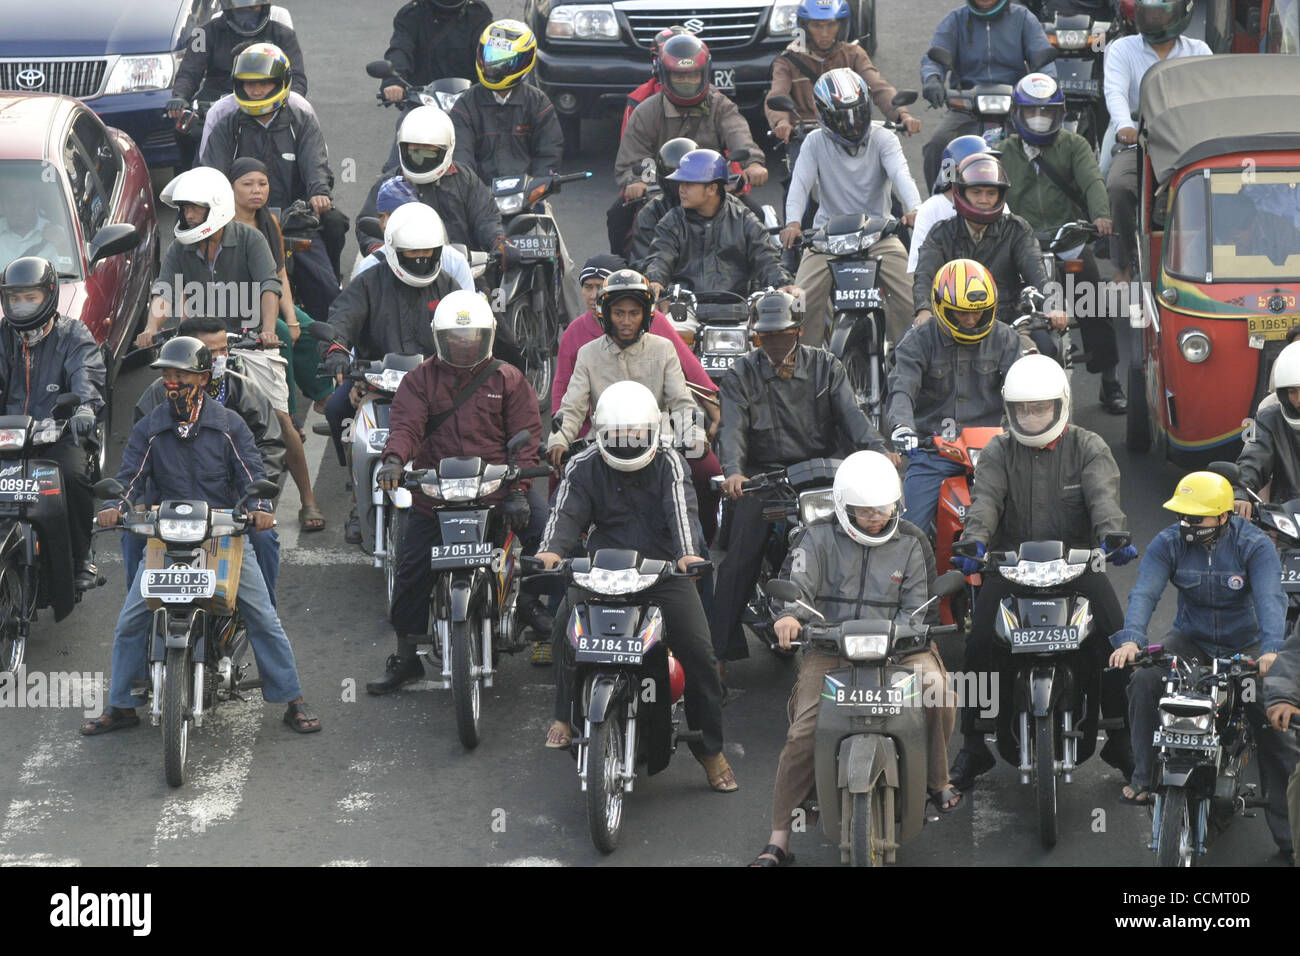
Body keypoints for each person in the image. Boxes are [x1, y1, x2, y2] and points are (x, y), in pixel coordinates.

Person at [84, 336, 320, 737]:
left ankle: (292, 698)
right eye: (167, 376)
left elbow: (252, 476)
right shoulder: (150, 428)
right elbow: (130, 478)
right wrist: (118, 506)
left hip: (222, 538)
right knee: (129, 622)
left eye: (182, 375)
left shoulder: (230, 426)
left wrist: (259, 510)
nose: (172, 383)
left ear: (204, 377)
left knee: (262, 615)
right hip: (165, 538)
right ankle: (122, 704)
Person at [750, 451, 959, 867]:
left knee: (937, 690)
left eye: (883, 509)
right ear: (844, 508)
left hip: (900, 648)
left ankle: (937, 779)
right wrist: (788, 617)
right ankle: (778, 839)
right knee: (803, 730)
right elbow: (797, 584)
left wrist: (906, 632)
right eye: (865, 512)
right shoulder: (816, 537)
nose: (876, 519)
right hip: (831, 649)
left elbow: (919, 606)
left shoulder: (912, 541)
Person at [947, 353, 1137, 790]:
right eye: (1022, 409)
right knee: (976, 647)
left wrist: (1113, 535)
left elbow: (1103, 498)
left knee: (1119, 640)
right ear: (1010, 410)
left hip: (1076, 567)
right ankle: (974, 745)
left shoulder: (1089, 446)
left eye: (1040, 408)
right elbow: (987, 501)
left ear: (1061, 405)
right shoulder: (997, 450)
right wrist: (975, 540)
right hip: (1009, 569)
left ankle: (1121, 739)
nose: (1031, 418)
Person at [536, 382, 737, 793]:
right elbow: (565, 515)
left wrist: (687, 556)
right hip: (601, 569)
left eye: (636, 435)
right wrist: (550, 553)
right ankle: (563, 713)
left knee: (700, 654)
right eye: (617, 435)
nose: (627, 442)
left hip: (664, 570)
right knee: (562, 630)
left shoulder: (671, 462)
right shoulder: (583, 464)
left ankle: (710, 751)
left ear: (652, 431)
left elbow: (682, 512)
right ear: (600, 434)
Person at [1109, 472, 1297, 859]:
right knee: (1143, 680)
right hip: (1190, 641)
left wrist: (1272, 651)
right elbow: (1145, 590)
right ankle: (1144, 777)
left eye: (1197, 519)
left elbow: (1270, 598)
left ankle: (1290, 834)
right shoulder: (1168, 543)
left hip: (1247, 646)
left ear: (1223, 517)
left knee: (1274, 724)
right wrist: (1131, 639)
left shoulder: (1253, 544)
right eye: (1183, 516)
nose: (1187, 525)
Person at [369, 290, 546, 694]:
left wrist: (518, 488)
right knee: (411, 568)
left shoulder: (509, 378)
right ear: (439, 338)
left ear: (487, 336)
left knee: (546, 535)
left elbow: (527, 439)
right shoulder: (418, 381)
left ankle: (535, 606)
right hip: (437, 493)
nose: (464, 344)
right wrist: (395, 461)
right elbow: (406, 427)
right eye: (455, 337)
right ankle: (407, 656)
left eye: (472, 337)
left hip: (499, 489)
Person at [712, 291, 892, 672]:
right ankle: (719, 659)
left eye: (783, 335)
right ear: (754, 337)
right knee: (738, 560)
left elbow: (853, 417)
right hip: (763, 477)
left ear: (798, 331)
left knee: (871, 534)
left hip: (823, 474)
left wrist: (879, 451)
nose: (775, 344)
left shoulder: (828, 366)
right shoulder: (739, 374)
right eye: (766, 337)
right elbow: (732, 430)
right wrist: (733, 472)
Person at [143, 167, 319, 543]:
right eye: (186, 209)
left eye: (195, 209)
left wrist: (269, 329)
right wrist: (150, 328)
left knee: (281, 418)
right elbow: (164, 291)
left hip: (250, 340)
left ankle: (307, 498)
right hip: (195, 346)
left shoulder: (250, 238)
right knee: (165, 402)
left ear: (217, 208)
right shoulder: (179, 248)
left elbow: (270, 285)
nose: (188, 216)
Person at [554, 254, 722, 541]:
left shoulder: (663, 348)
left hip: (659, 444)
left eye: (634, 313)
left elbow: (682, 401)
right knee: (561, 501)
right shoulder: (588, 353)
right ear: (606, 315)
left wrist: (693, 434)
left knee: (707, 476)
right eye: (619, 313)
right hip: (603, 444)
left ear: (646, 315)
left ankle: (702, 543)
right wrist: (559, 440)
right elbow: (571, 407)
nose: (626, 321)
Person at [128, 322, 285, 602]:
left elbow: (269, 446)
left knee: (265, 541)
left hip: (232, 508)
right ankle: (142, 605)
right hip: (168, 506)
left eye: (224, 350)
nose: (219, 358)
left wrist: (256, 503)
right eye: (211, 353)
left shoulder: (244, 390)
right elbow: (136, 460)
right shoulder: (155, 396)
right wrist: (136, 502)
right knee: (131, 538)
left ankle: (265, 606)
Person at [1000, 73, 1126, 414]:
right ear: (1017, 114)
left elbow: (1092, 182)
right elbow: (991, 191)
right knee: (1003, 305)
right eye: (1032, 113)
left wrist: (1101, 215)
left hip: (1067, 240)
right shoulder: (1003, 151)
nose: (1040, 121)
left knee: (1093, 304)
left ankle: (1110, 380)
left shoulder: (1074, 146)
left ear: (1060, 115)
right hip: (1018, 243)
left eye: (1048, 113)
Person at [780, 68, 921, 349]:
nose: (852, 124)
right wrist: (793, 223)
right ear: (823, 116)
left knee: (911, 300)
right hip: (825, 238)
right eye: (841, 117)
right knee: (800, 304)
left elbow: (902, 175)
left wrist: (915, 209)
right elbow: (800, 184)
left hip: (879, 234)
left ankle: (910, 361)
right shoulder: (814, 142)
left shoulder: (884, 138)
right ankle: (805, 368)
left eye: (857, 113)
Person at [887, 259, 1024, 533]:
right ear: (941, 307)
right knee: (908, 533)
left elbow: (1020, 394)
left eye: (978, 313)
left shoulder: (1007, 339)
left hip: (994, 452)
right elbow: (902, 387)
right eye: (961, 314)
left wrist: (1021, 430)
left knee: (1033, 517)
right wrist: (902, 427)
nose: (971, 320)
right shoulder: (918, 341)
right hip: (933, 453)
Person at [0, 257, 104, 589]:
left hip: (57, 433)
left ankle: (80, 558)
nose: (21, 305)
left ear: (49, 294)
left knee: (73, 477)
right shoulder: (3, 337)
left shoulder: (73, 334)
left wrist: (84, 408)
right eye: (15, 297)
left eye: (30, 297)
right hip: (7, 436)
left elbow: (86, 373)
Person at [200, 42, 347, 278]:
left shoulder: (302, 120)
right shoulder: (227, 125)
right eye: (249, 83)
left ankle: (334, 278)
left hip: (297, 217)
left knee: (328, 281)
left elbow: (315, 161)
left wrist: (318, 191)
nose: (256, 91)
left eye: (263, 83)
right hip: (238, 218)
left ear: (280, 82)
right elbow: (211, 171)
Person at [229, 157, 336, 468]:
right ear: (231, 188)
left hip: (270, 294)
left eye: (261, 184)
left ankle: (322, 395)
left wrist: (292, 317)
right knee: (280, 340)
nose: (256, 191)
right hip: (237, 303)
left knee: (308, 330)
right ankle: (286, 418)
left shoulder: (269, 222)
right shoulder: (221, 223)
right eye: (247, 184)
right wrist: (281, 324)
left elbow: (279, 275)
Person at [911, 153, 1069, 358]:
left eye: (990, 193)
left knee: (1048, 354)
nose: (984, 200)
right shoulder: (940, 234)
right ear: (961, 193)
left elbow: (1036, 271)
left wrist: (1053, 306)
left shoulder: (1017, 230)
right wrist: (923, 310)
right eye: (976, 192)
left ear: (1000, 195)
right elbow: (924, 275)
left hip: (1009, 321)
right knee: (909, 353)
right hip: (953, 323)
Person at [1102, 0, 1211, 284]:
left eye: (1159, 14)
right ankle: (1123, 262)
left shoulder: (1199, 51)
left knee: (1209, 187)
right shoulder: (1121, 49)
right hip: (1139, 138)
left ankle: (1204, 258)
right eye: (1147, 13)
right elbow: (1115, 93)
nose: (1152, 20)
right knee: (1116, 185)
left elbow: (1210, 96)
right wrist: (1125, 126)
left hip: (1187, 141)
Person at [353, 105, 514, 271]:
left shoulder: (466, 179)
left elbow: (486, 219)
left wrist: (499, 243)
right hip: (402, 270)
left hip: (462, 269)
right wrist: (379, 251)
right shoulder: (388, 184)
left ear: (446, 149)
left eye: (427, 153)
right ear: (402, 148)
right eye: (415, 152)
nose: (420, 160)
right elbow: (369, 228)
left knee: (491, 295)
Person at [615, 34, 768, 208]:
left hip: (711, 191)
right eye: (679, 77)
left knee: (757, 216)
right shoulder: (645, 111)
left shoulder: (720, 105)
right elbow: (633, 159)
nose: (686, 81)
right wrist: (639, 182)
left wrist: (753, 163)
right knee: (617, 218)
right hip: (662, 194)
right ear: (665, 75)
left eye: (692, 75)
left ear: (704, 74)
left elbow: (738, 135)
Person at [919, 0, 1057, 189]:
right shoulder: (954, 20)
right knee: (937, 145)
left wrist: (1047, 84)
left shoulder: (1023, 18)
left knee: (1050, 146)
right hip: (965, 104)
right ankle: (940, 199)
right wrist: (932, 79)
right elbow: (933, 58)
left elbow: (1043, 57)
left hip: (1017, 104)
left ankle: (1046, 201)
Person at [765, 0, 921, 149]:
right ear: (805, 27)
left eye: (831, 24)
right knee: (801, 176)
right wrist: (782, 123)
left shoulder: (854, 54)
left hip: (851, 135)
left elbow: (879, 88)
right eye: (817, 26)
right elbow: (777, 94)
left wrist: (903, 115)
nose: (825, 33)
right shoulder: (787, 61)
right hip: (807, 139)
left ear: (842, 25)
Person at [168, 3, 307, 170]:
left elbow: (297, 78)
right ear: (227, 9)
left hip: (268, 97)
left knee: (301, 136)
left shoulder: (283, 34)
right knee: (184, 131)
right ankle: (192, 181)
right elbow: (189, 72)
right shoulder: (205, 33)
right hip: (215, 100)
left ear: (264, 7)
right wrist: (180, 96)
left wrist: (284, 102)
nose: (246, 17)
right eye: (239, 10)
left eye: (251, 9)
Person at [643, 149, 794, 300]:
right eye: (681, 183)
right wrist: (656, 280)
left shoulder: (743, 218)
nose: (681, 189)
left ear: (712, 188)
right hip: (686, 311)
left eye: (688, 183)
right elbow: (661, 256)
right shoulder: (672, 220)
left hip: (739, 310)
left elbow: (766, 256)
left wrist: (782, 282)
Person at [449, 19, 563, 186]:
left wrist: (537, 186)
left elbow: (549, 154)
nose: (494, 67)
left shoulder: (538, 103)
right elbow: (461, 155)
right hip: (480, 196)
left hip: (527, 195)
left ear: (525, 61)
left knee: (545, 213)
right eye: (491, 58)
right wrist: (472, 190)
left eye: (503, 61)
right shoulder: (465, 105)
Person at [906, 134, 1005, 273]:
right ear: (953, 171)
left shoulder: (997, 205)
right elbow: (918, 269)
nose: (984, 199)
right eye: (975, 165)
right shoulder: (931, 209)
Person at [351, 184, 475, 291]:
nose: (384, 224)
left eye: (392, 215)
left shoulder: (455, 263)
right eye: (381, 216)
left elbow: (469, 312)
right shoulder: (369, 267)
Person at [379, 0, 495, 99]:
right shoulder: (412, 14)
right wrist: (393, 81)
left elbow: (489, 52)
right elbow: (400, 49)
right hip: (422, 98)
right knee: (406, 124)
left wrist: (498, 79)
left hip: (469, 98)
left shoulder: (478, 12)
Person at [1236, 341, 1300, 517]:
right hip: (1289, 516)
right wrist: (1241, 490)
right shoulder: (1269, 417)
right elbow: (1253, 457)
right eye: (1292, 391)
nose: (1298, 399)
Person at [625, 138, 696, 268]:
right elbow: (647, 265)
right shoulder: (652, 213)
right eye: (681, 182)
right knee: (617, 214)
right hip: (672, 285)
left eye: (692, 182)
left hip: (726, 287)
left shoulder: (736, 213)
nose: (684, 188)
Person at [0, 177, 60, 269]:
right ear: (3, 205)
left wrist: (62, 246)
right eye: (10, 201)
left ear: (35, 203)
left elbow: (68, 275)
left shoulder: (55, 234)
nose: (16, 207)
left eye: (23, 200)